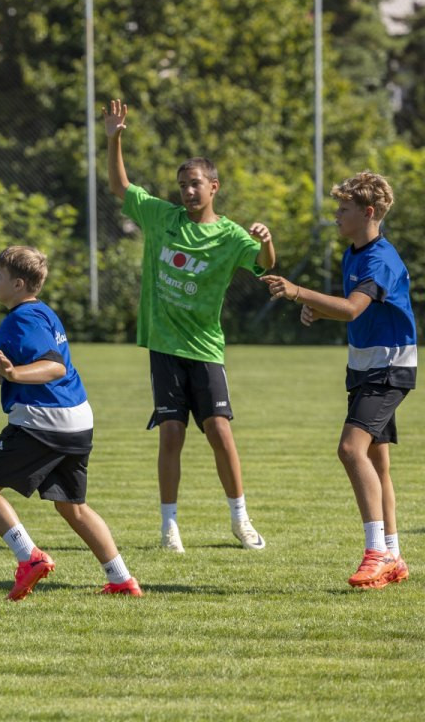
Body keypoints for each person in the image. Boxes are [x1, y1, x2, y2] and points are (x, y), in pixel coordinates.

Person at [105, 99, 273, 552]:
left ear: (213, 187)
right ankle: (169, 528)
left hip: (205, 348)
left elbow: (263, 266)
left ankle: (241, 520)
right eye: (182, 185)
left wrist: (267, 241)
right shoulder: (162, 218)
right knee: (172, 434)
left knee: (219, 431)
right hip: (164, 345)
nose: (187, 191)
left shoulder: (232, 235)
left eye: (195, 184)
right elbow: (120, 185)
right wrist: (114, 136)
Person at [260, 172, 414, 589]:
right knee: (377, 462)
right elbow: (350, 310)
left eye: (342, 211)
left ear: (367, 212)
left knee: (350, 450)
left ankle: (375, 553)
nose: (335, 217)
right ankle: (394, 556)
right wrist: (316, 309)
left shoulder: (380, 259)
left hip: (388, 369)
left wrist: (298, 293)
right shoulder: (354, 253)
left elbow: (350, 309)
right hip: (366, 368)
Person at [0, 246, 142, 600]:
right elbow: (36, 365)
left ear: (17, 284)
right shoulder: (43, 313)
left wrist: (12, 372)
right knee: (72, 506)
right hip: (77, 419)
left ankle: (28, 557)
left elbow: (53, 367)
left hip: (43, 421)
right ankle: (122, 579)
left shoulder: (21, 320)